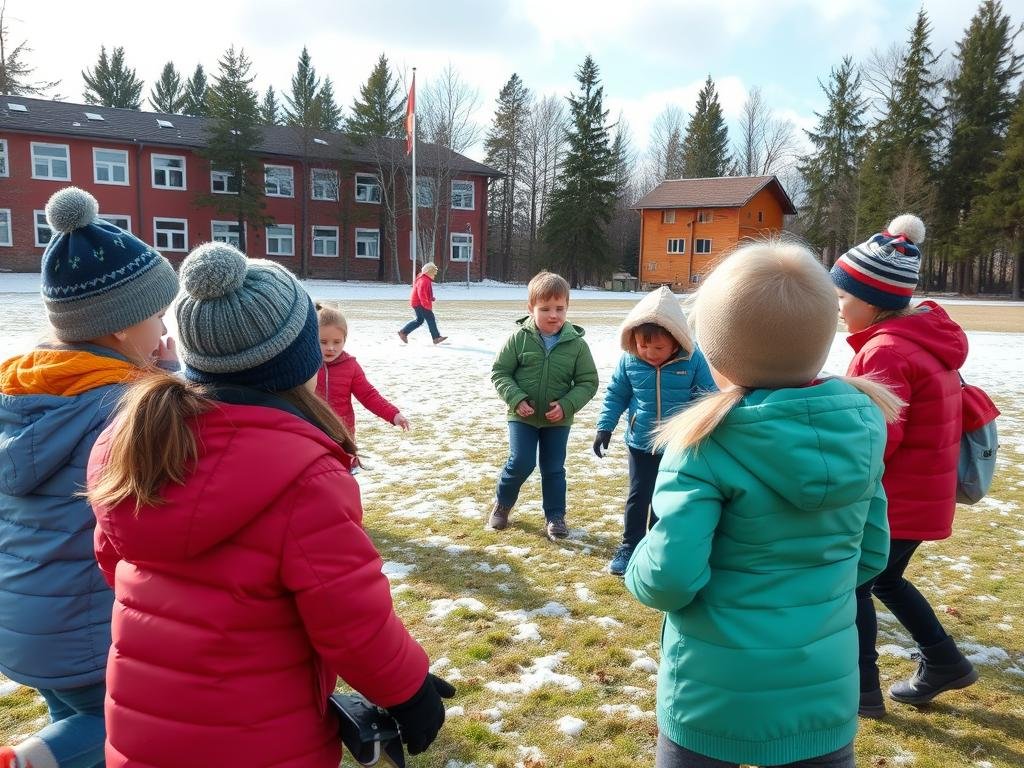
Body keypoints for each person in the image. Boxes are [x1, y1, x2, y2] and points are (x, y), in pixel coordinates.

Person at [85, 243, 453, 768]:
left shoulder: (135, 442)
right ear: (296, 359)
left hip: (143, 723)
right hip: (259, 733)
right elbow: (351, 619)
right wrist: (408, 691)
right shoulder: (304, 476)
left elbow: (112, 561)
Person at [626, 240, 900, 768]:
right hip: (822, 695)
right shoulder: (862, 429)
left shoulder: (705, 444)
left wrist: (637, 565)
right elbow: (872, 553)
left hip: (713, 697)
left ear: (718, 349)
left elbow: (668, 577)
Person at [0, 187, 179, 768]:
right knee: (117, 728)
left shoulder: (30, 389)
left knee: (72, 720)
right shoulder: (125, 408)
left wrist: (154, 371)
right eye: (157, 315)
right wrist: (162, 386)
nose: (162, 328)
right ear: (123, 327)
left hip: (24, 613)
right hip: (85, 623)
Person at [830, 214, 977, 718]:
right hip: (919, 494)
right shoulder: (922, 340)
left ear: (871, 300)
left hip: (898, 498)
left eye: (844, 298)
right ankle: (944, 662)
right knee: (885, 580)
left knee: (855, 586)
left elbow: (877, 438)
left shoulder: (885, 352)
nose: (839, 307)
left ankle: (863, 691)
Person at [593, 286, 716, 575]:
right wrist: (605, 427)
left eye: (658, 348)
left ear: (676, 341)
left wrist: (707, 429)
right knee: (639, 495)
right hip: (641, 443)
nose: (649, 353)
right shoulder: (630, 361)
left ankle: (658, 548)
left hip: (678, 444)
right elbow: (617, 394)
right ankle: (630, 545)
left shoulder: (692, 360)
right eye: (642, 346)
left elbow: (707, 397)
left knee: (667, 498)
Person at [488, 271, 598, 540]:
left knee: (553, 467)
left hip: (556, 421)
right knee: (521, 462)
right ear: (531, 309)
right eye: (545, 308)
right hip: (521, 417)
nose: (553, 315)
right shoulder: (519, 339)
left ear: (567, 308)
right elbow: (500, 372)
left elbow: (588, 381)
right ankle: (502, 505)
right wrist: (516, 399)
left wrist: (567, 404)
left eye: (560, 308)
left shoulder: (577, 345)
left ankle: (555, 516)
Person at [316, 302, 410, 436]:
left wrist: (393, 414)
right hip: (309, 432)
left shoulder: (350, 366)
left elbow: (368, 395)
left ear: (344, 339)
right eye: (323, 342)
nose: (330, 347)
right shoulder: (304, 363)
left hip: (341, 435)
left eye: (337, 342)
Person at [398, 262, 446, 344]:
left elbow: (424, 292)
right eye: (433, 272)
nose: (435, 274)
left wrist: (430, 298)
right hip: (420, 303)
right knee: (430, 318)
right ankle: (436, 338)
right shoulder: (424, 280)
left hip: (417, 302)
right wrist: (426, 304)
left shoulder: (424, 279)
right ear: (428, 272)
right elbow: (421, 293)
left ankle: (404, 332)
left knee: (419, 320)